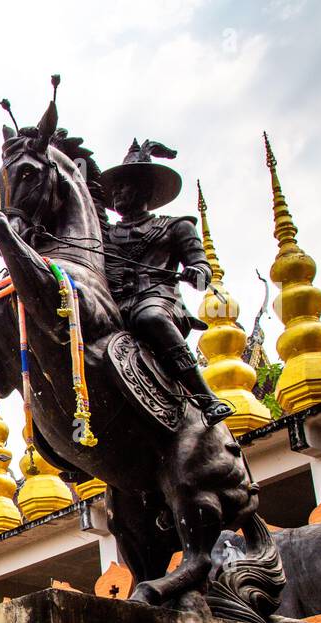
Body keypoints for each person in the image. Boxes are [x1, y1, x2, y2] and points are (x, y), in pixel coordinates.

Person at [100, 139, 235, 428]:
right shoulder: (104, 236)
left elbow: (200, 266)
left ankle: (206, 397)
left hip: (158, 299)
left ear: (143, 189)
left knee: (149, 317)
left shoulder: (175, 227)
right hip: (116, 305)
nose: (118, 192)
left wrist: (196, 273)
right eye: (117, 187)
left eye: (125, 186)